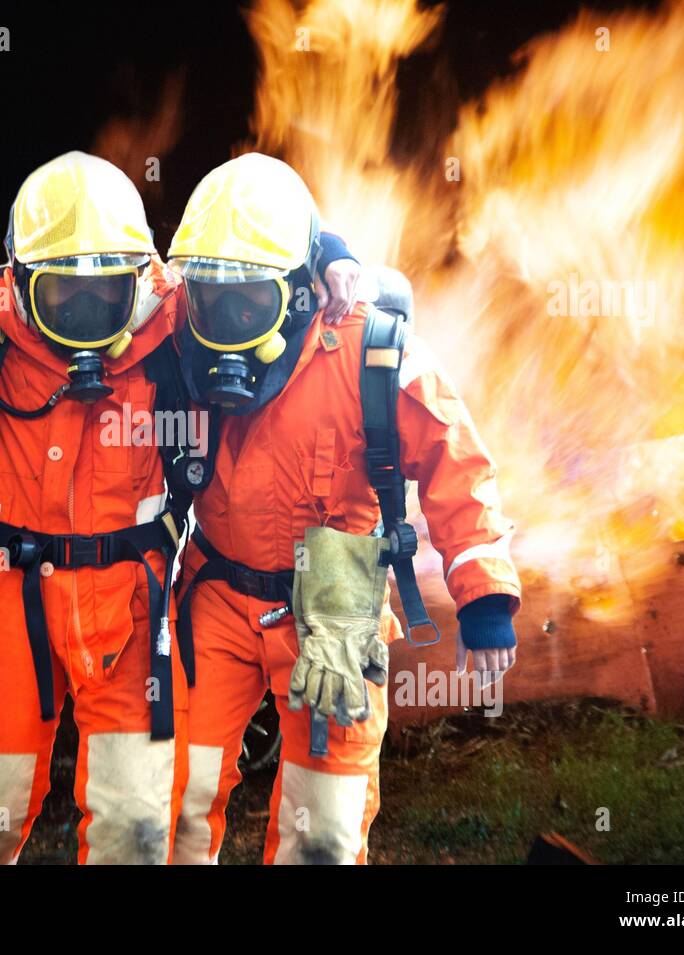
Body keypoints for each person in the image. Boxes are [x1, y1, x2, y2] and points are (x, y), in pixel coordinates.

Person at [0, 152, 362, 863]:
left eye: (101, 288)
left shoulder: (172, 317)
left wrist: (324, 248)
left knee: (136, 830)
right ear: (19, 277)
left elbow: (245, 264)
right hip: (7, 599)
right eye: (60, 291)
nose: (80, 307)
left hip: (128, 609)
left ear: (135, 275)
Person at [166, 153, 522, 865]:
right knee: (170, 799)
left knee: (323, 833)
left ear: (300, 290)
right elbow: (100, 281)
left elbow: (458, 464)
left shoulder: (375, 354)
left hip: (336, 596)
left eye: (251, 301)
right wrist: (326, 244)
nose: (228, 319)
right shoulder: (178, 331)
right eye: (214, 298)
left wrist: (485, 599)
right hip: (217, 590)